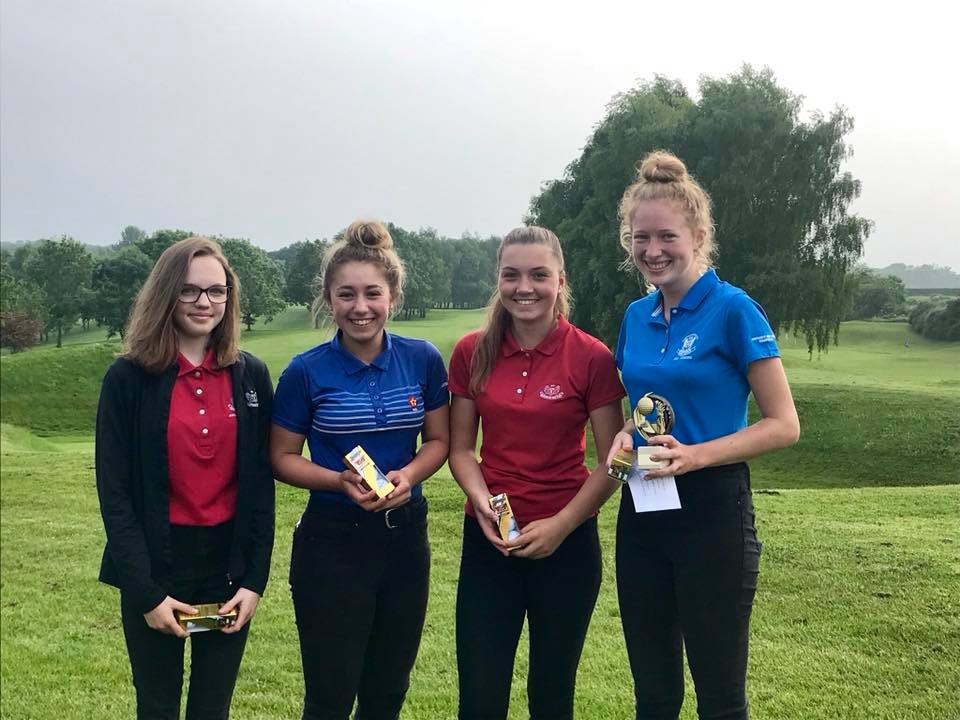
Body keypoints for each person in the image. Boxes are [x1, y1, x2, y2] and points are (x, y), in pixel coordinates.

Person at [607, 151, 801, 720]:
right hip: (642, 506)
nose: (652, 250)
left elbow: (783, 424)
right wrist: (626, 437)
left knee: (719, 696)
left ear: (698, 235)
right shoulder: (636, 316)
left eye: (666, 236)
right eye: (640, 238)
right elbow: (646, 410)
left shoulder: (734, 309)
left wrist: (695, 456)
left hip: (713, 511)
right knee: (654, 693)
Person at [270, 220, 450, 720]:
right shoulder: (306, 370)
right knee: (330, 696)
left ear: (393, 296)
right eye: (346, 294)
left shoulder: (422, 359)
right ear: (329, 300)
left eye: (373, 293)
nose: (360, 307)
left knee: (387, 691)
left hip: (405, 539)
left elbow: (438, 441)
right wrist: (337, 481)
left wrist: (410, 476)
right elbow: (281, 457)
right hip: (331, 541)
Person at [448, 226, 625, 720]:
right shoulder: (471, 351)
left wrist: (561, 525)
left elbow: (616, 460)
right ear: (498, 279)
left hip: (568, 545)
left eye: (538, 275)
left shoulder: (591, 356)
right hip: (489, 540)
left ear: (560, 280)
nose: (523, 287)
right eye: (511, 275)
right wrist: (481, 501)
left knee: (551, 696)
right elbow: (461, 450)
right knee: (480, 697)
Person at [95, 236, 275, 720]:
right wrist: (146, 593)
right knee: (157, 706)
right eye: (189, 290)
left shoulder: (250, 375)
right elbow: (115, 496)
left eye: (217, 291)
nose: (204, 302)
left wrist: (255, 581)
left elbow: (260, 488)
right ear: (166, 294)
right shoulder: (127, 379)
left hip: (227, 570)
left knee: (212, 708)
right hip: (157, 565)